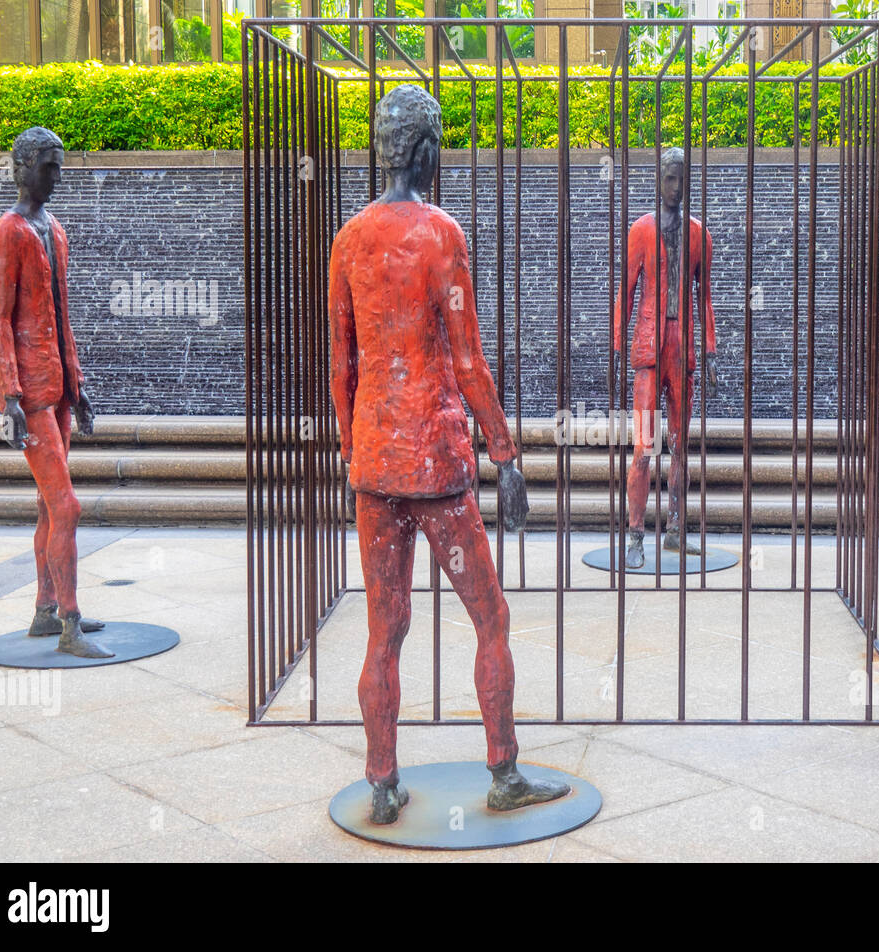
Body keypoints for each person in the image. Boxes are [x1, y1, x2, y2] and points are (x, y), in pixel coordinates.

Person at [328, 84, 568, 823]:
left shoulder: (347, 240)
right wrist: (508, 456)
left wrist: (353, 447)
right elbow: (468, 361)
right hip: (435, 463)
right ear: (427, 151)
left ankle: (381, 782)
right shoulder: (441, 235)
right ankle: (502, 770)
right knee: (489, 617)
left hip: (375, 464)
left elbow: (341, 368)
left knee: (383, 630)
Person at [0, 126, 110, 659]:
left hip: (58, 388)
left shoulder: (54, 229)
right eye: (48, 168)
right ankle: (70, 623)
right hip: (32, 394)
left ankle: (44, 608)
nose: (56, 177)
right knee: (67, 507)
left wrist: (77, 387)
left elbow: (62, 315)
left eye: (59, 167)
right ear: (23, 168)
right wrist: (9, 395)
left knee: (47, 508)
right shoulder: (7, 232)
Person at [611, 147, 719, 569]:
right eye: (669, 178)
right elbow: (627, 289)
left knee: (678, 444)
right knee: (643, 446)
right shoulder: (641, 230)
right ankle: (636, 533)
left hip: (682, 347)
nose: (675, 186)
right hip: (649, 346)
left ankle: (675, 530)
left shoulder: (698, 234)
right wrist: (617, 347)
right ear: (659, 180)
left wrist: (709, 350)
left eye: (681, 178)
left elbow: (704, 297)